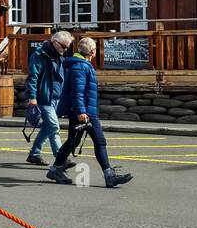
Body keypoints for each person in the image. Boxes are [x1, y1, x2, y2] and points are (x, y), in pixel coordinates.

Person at [46, 37, 133, 188]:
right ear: (92, 52)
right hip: (84, 111)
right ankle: (109, 176)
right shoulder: (80, 67)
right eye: (95, 50)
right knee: (99, 141)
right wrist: (81, 111)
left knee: (73, 141)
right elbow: (77, 92)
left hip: (83, 109)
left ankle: (56, 169)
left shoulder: (81, 65)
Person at [24, 29, 74, 166]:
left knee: (47, 127)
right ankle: (60, 158)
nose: (65, 49)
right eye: (63, 46)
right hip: (44, 98)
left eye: (67, 47)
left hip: (57, 98)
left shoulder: (59, 55)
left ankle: (34, 154)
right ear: (54, 42)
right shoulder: (39, 55)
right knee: (53, 126)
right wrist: (32, 97)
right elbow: (32, 78)